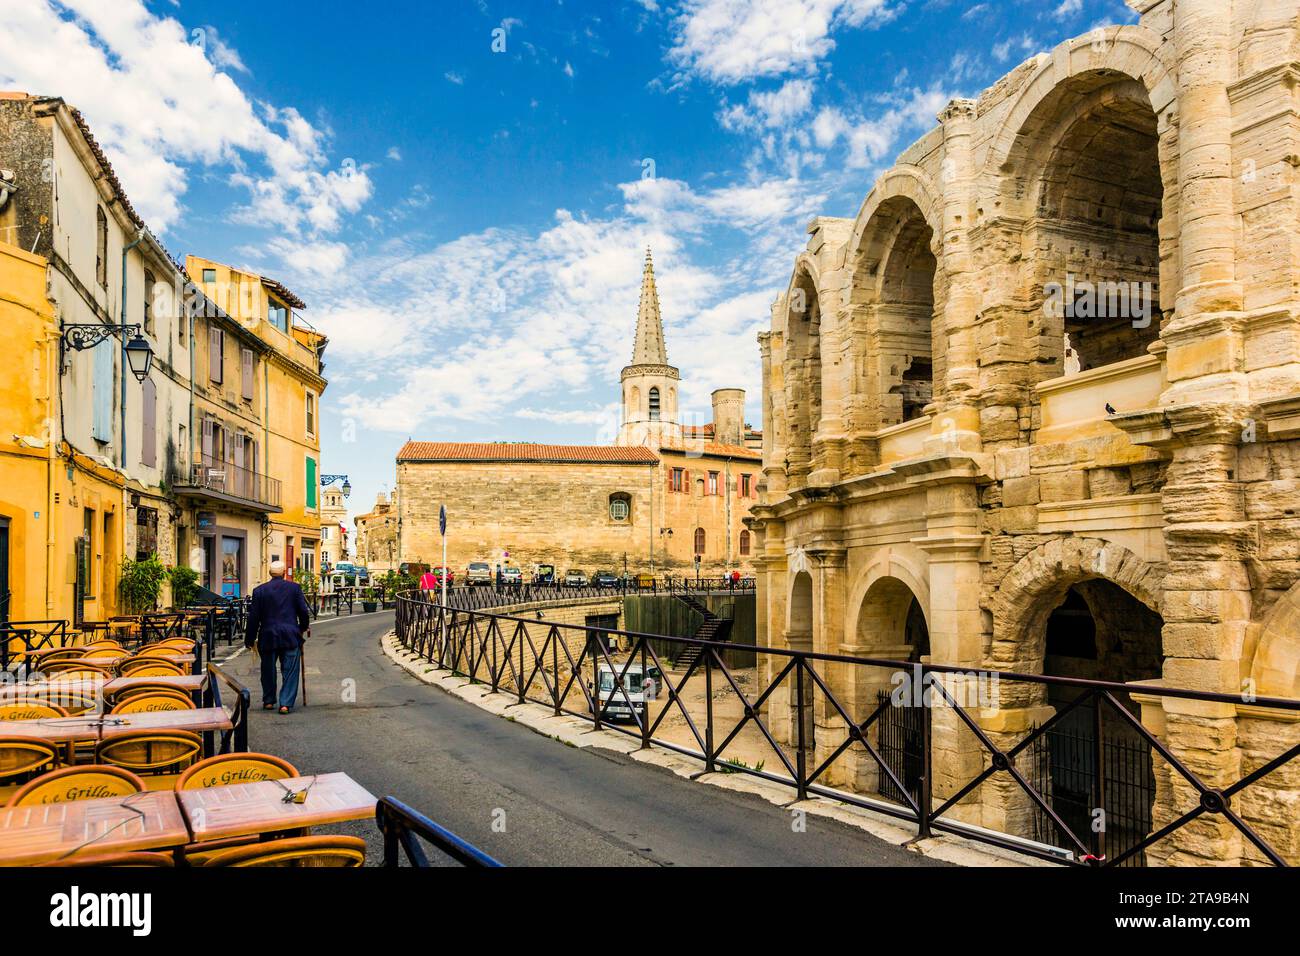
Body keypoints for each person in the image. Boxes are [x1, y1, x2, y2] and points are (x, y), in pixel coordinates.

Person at [245, 560, 310, 714]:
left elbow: (253, 617)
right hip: (290, 635)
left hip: (267, 635)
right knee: (290, 670)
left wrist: (249, 639)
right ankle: (285, 703)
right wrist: (301, 628)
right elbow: (303, 611)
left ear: (269, 573)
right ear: (283, 573)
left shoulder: (259, 591)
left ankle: (268, 700)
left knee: (268, 669)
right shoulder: (294, 588)